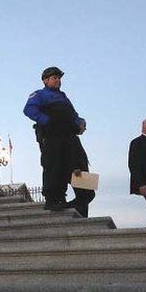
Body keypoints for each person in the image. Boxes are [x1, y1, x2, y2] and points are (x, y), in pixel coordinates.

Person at [23, 66, 85, 211]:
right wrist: (47, 121)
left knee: (74, 165)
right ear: (46, 80)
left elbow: (73, 115)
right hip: (51, 137)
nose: (58, 80)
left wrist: (80, 123)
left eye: (59, 78)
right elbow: (29, 109)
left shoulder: (64, 97)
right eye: (54, 78)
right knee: (53, 165)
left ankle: (78, 196)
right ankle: (52, 198)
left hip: (68, 137)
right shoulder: (39, 94)